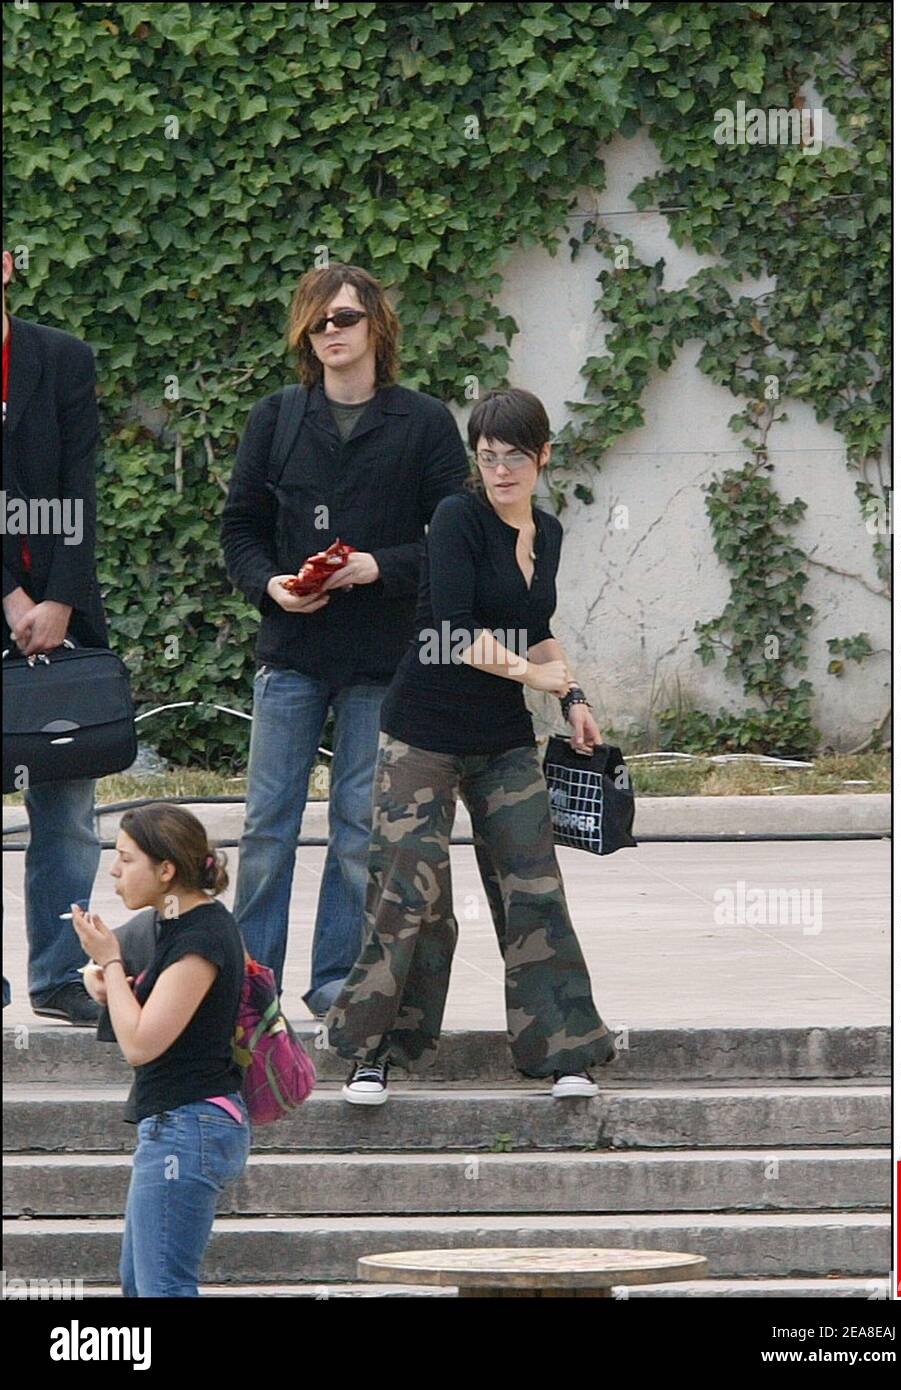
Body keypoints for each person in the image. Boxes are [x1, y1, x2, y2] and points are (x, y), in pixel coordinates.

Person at [326, 388, 616, 1103]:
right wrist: (533, 674)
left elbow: (536, 624)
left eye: (515, 456)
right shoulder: (458, 518)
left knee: (533, 887)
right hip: (423, 731)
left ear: (543, 456)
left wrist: (571, 697)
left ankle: (562, 1051)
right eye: (487, 457)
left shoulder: (545, 531)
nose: (500, 470)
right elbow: (455, 632)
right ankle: (374, 1052)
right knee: (409, 892)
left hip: (501, 739)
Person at [221, 262, 468, 1017]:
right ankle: (247, 989)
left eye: (348, 318)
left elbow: (459, 539)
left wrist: (376, 567)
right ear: (306, 331)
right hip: (291, 652)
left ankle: (335, 982)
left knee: (360, 830)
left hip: (381, 655)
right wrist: (270, 585)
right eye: (321, 320)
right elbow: (240, 529)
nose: (334, 331)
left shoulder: (423, 422)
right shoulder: (276, 419)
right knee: (267, 827)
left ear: (377, 329)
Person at [74, 804, 249, 1298]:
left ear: (166, 870)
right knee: (140, 1284)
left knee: (163, 1288)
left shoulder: (200, 938)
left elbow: (141, 1044)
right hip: (177, 1122)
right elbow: (106, 970)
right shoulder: (170, 921)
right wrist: (102, 975)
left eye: (127, 860)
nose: (113, 870)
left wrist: (108, 964)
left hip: (189, 1125)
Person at [2, 246, 106, 1025]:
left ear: (7, 266)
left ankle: (59, 974)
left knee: (68, 810)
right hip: (6, 606)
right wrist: (9, 598)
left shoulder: (61, 359)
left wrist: (61, 601)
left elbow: (81, 485)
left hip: (62, 619)